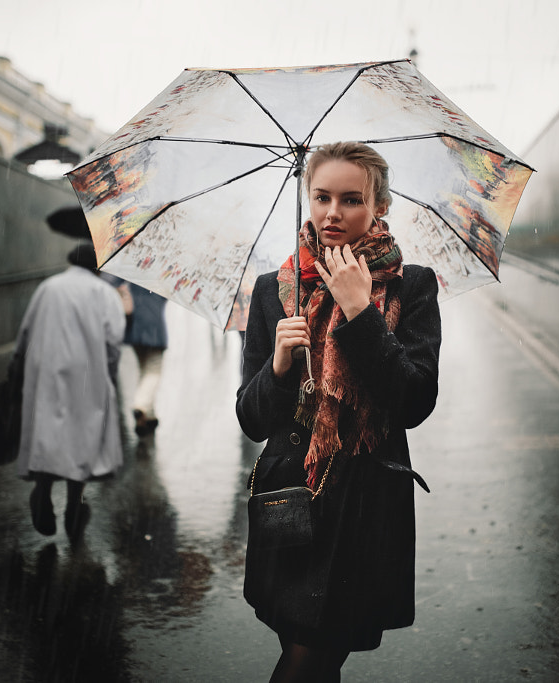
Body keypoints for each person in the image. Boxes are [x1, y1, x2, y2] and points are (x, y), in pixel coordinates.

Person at [236, 142, 441, 681]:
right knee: (310, 648)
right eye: (322, 197)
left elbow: (414, 401)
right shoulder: (274, 291)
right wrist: (277, 367)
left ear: (379, 206)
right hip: (294, 491)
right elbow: (252, 420)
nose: (333, 212)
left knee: (314, 650)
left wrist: (358, 309)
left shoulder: (410, 286)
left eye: (352, 199)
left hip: (366, 499)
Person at [14, 242, 126, 542]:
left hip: (46, 372)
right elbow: (114, 341)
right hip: (88, 375)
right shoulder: (104, 293)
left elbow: (24, 333)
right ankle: (75, 503)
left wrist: (20, 365)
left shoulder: (48, 287)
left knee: (49, 432)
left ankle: (43, 490)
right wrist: (109, 374)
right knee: (82, 436)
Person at [100, 274, 169, 436]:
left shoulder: (130, 268)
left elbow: (110, 284)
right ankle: (141, 405)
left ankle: (149, 415)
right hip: (153, 324)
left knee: (143, 367)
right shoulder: (160, 272)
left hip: (134, 323)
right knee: (154, 369)